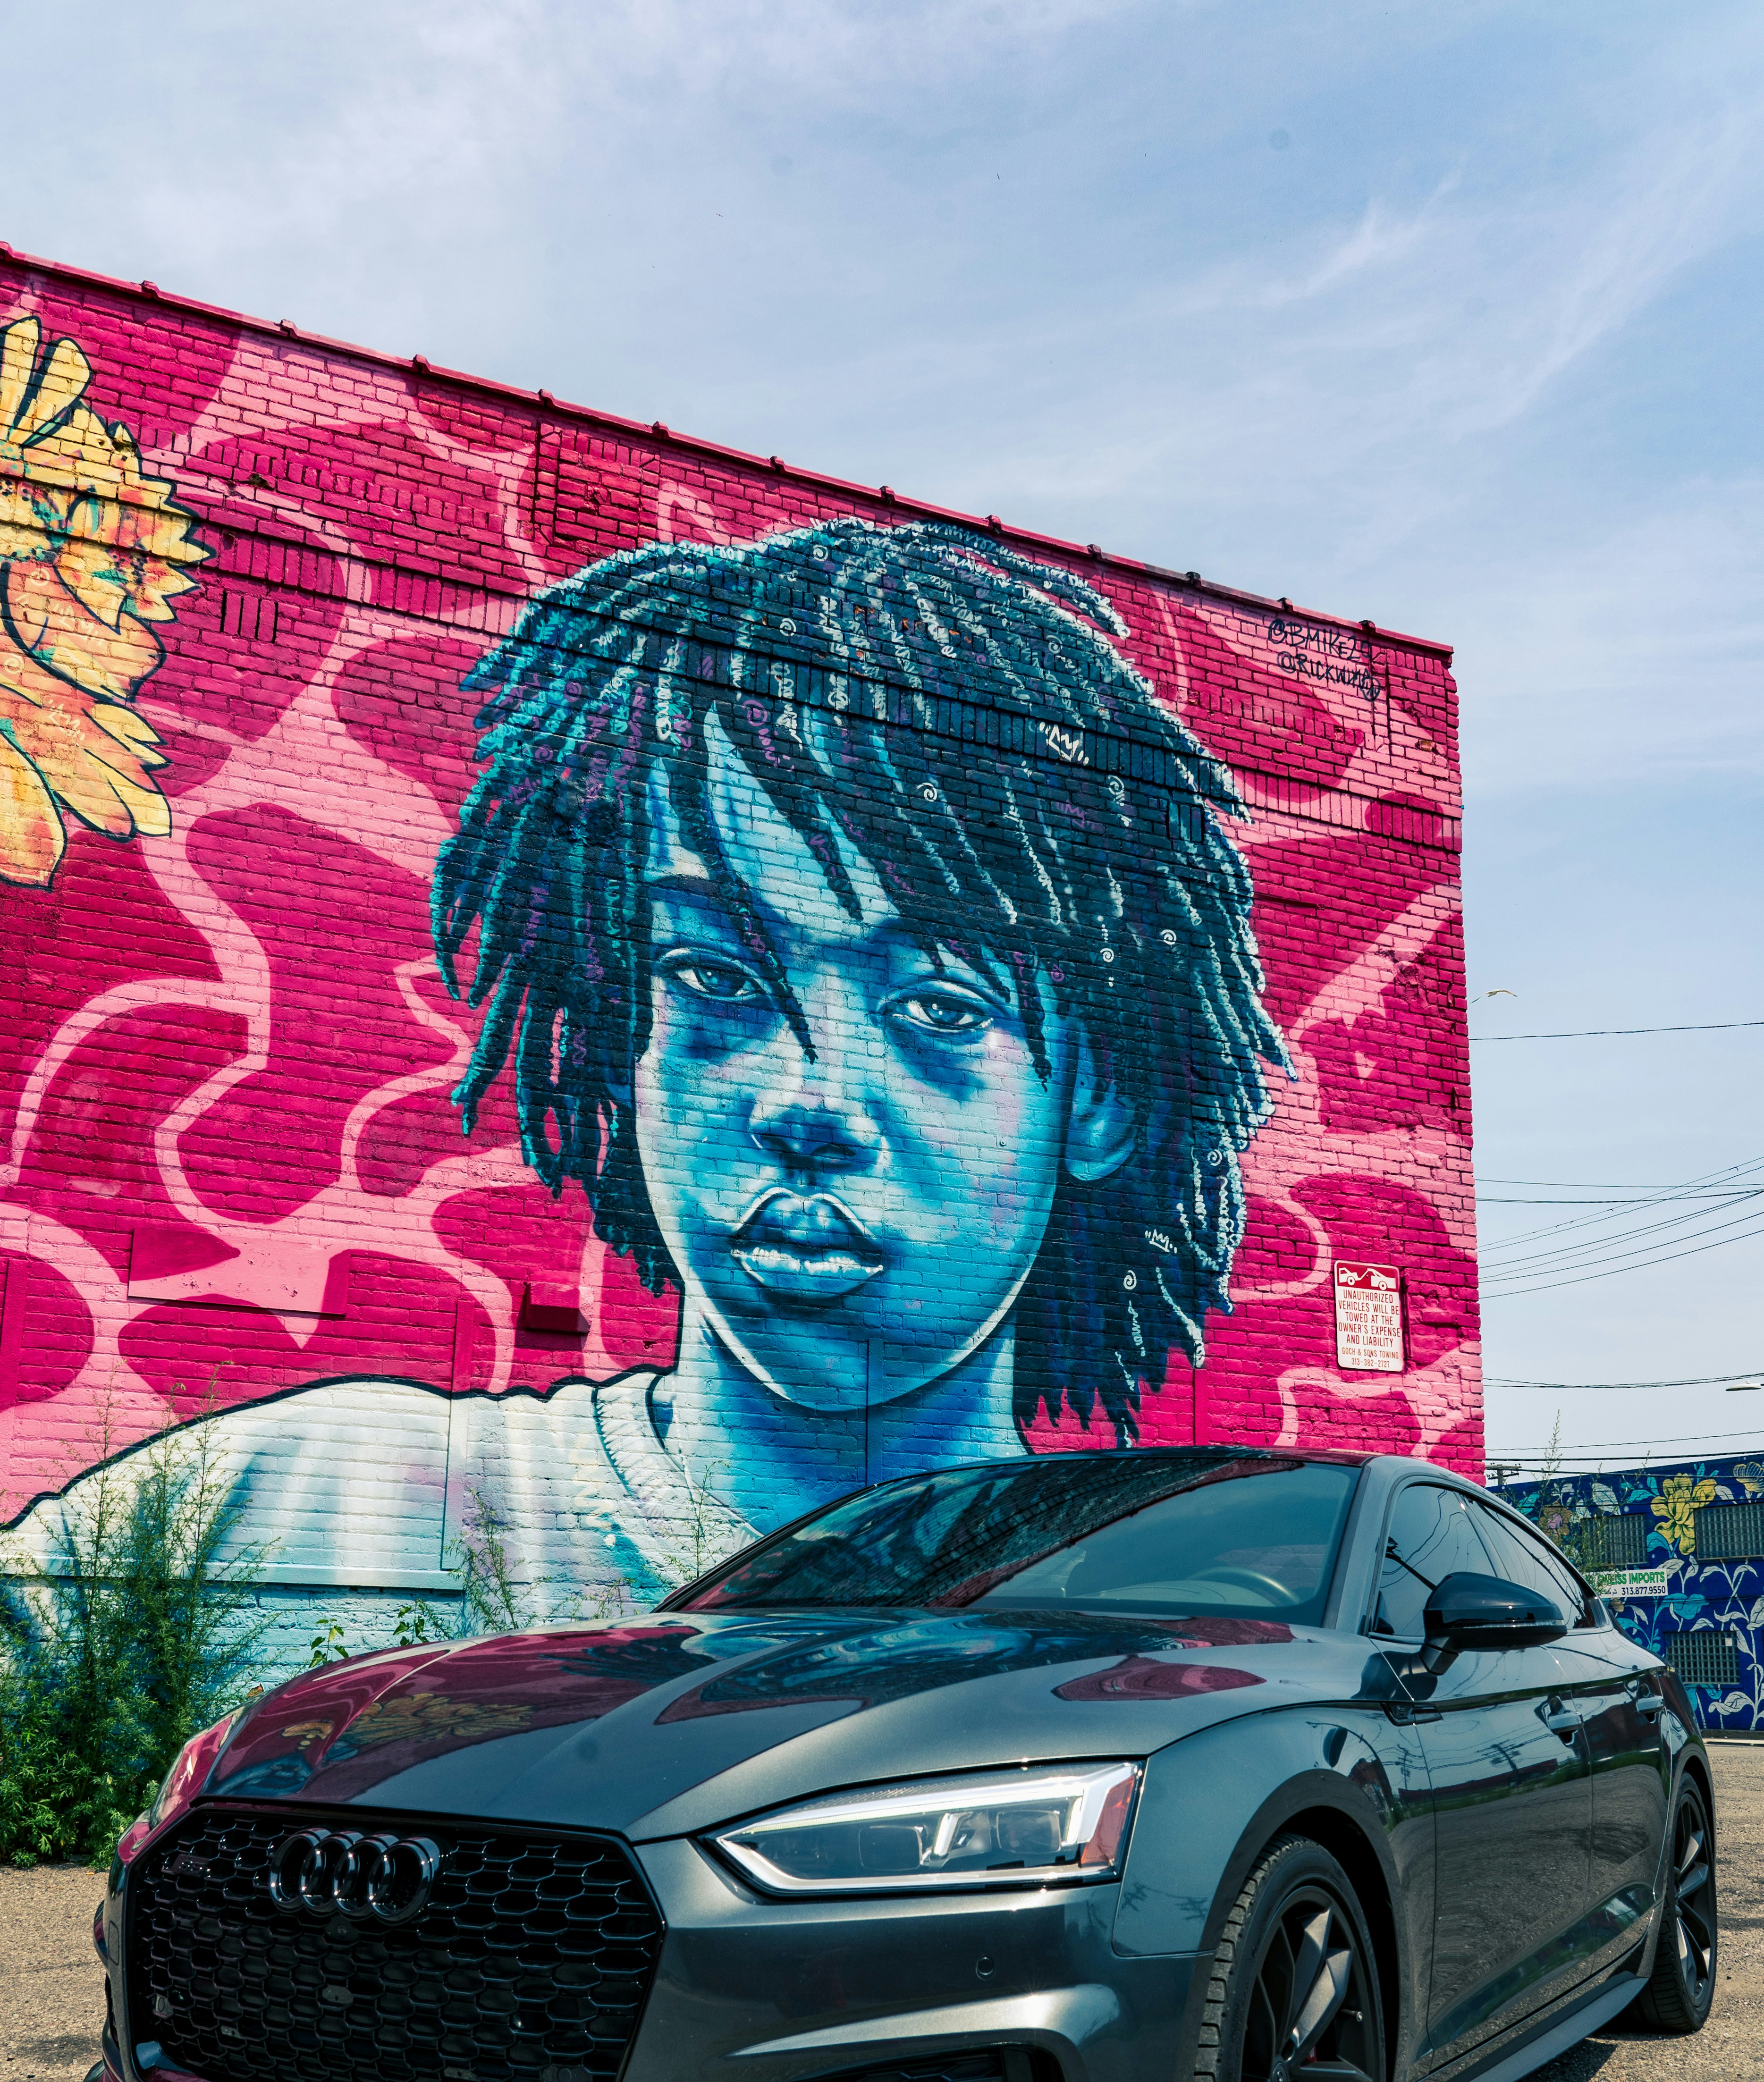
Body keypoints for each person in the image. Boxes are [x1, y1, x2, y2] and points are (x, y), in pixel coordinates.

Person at [2, 518, 1287, 1667]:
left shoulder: (1139, 1615)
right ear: (621, 1026)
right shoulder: (305, 1498)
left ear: (1099, 1099)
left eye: (935, 1012)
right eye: (714, 978)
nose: (809, 1103)